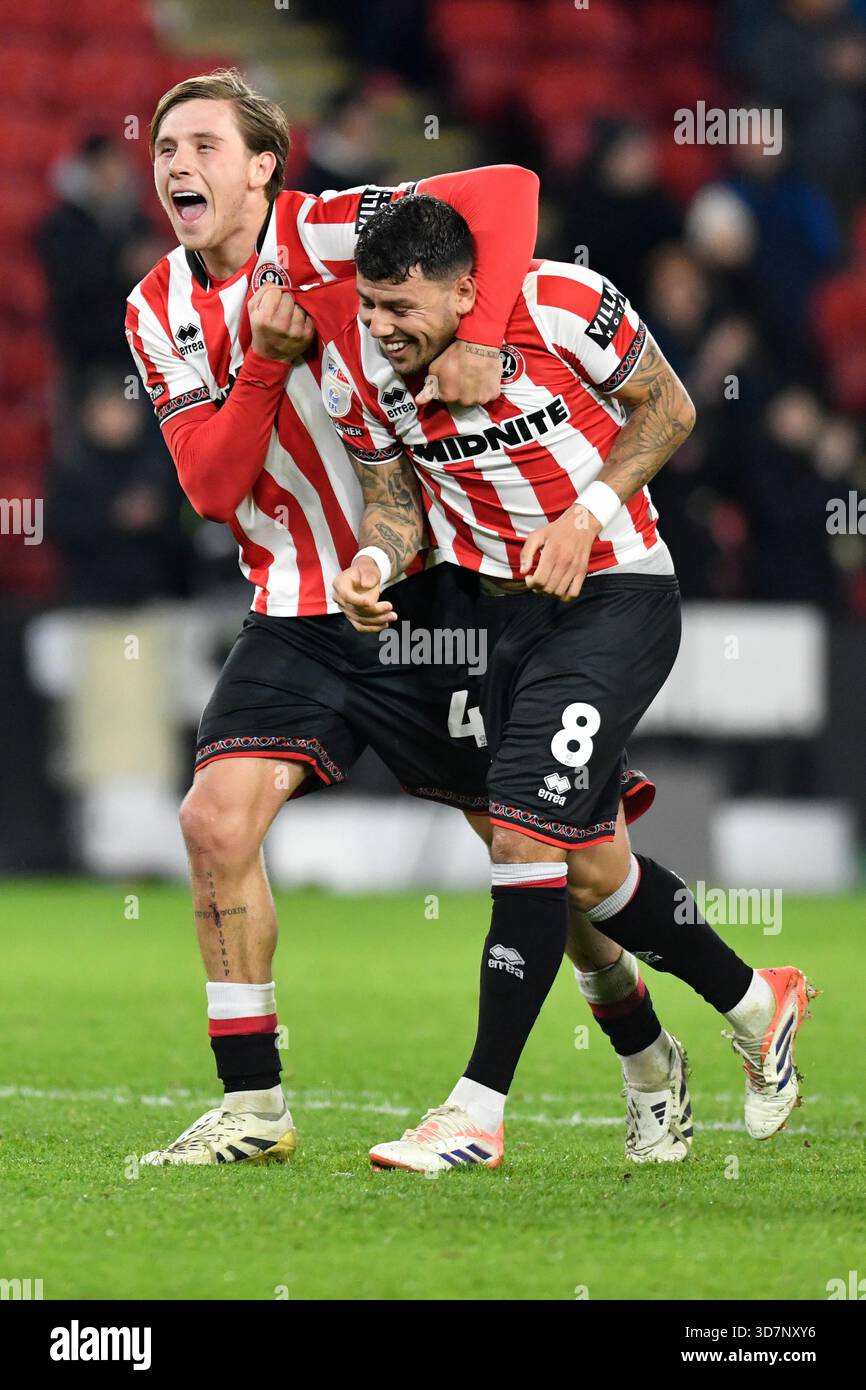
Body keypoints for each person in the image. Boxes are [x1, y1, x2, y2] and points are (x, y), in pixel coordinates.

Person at [125, 67, 663, 1165]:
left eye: (204, 146)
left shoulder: (325, 231)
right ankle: (253, 1105)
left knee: (562, 862)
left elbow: (505, 189)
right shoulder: (155, 309)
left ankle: (644, 1047)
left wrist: (479, 334)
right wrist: (268, 370)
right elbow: (211, 487)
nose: (178, 164)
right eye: (165, 148)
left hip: (427, 591)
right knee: (212, 821)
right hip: (295, 604)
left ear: (264, 165)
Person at [323, 193, 815, 1173]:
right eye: (366, 306)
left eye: (398, 307)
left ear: (467, 288)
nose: (379, 328)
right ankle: (757, 1004)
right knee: (591, 876)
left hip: (616, 594)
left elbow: (667, 407)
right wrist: (371, 570)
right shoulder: (360, 378)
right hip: (502, 623)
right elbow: (394, 511)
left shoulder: (562, 304)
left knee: (522, 833)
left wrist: (585, 514)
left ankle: (474, 1110)